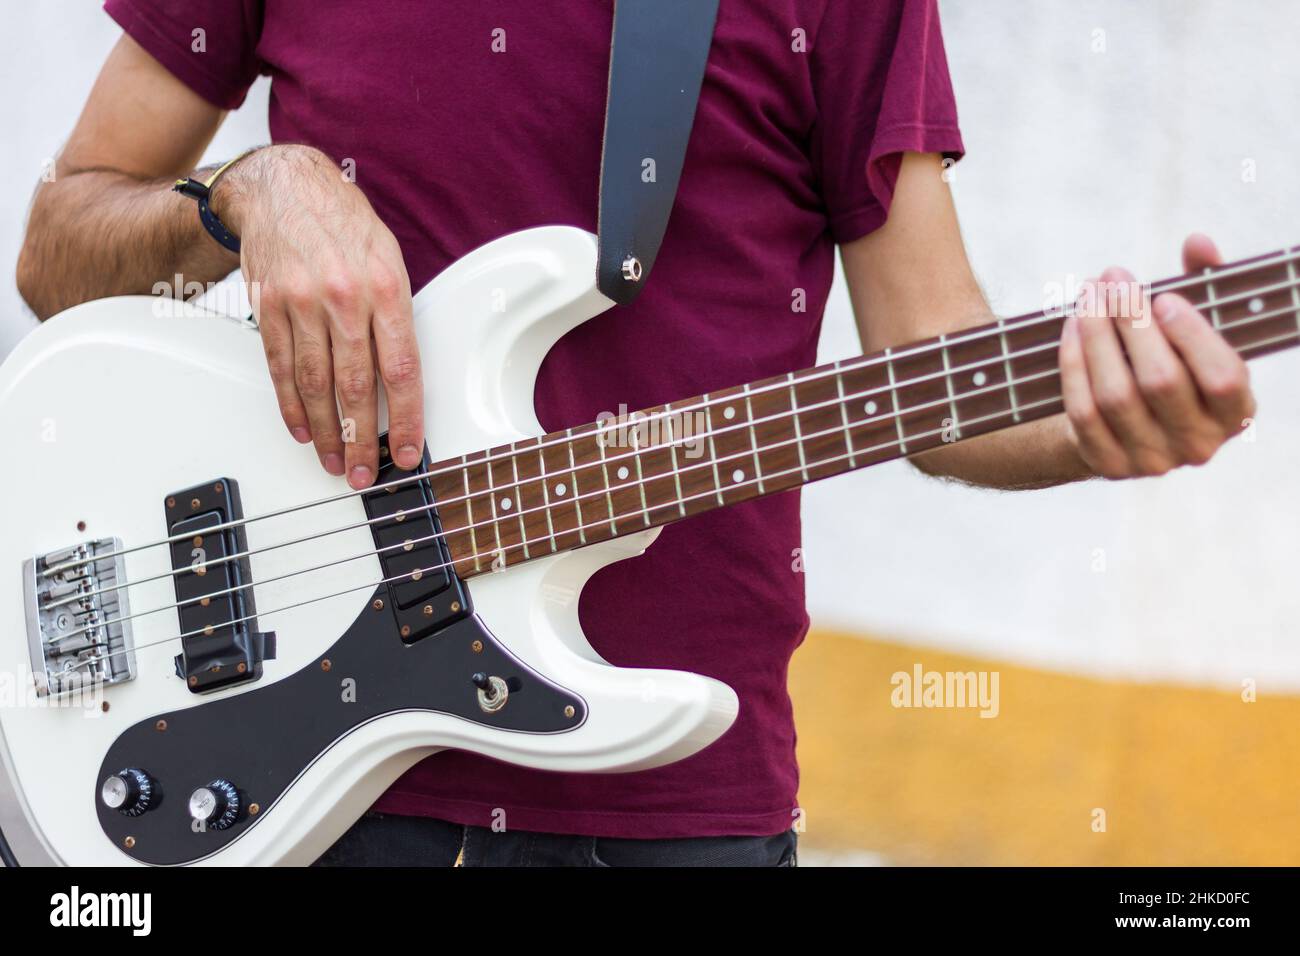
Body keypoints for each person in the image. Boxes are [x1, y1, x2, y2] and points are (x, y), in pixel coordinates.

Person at [15, 1, 1254, 867]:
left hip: (669, 816)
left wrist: (1100, 418)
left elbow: (928, 369)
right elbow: (59, 249)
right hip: (291, 783)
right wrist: (250, 189)